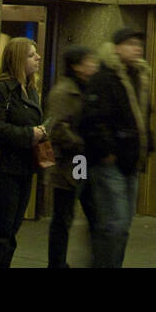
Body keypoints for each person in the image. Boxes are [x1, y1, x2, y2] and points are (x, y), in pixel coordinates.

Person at [81, 27, 153, 268]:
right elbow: (92, 118)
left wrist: (146, 146)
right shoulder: (104, 78)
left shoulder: (139, 78)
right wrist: (107, 152)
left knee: (122, 225)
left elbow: (142, 117)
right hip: (109, 161)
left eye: (139, 44)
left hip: (131, 160)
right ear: (117, 47)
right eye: (131, 43)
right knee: (115, 223)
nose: (137, 48)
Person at [0, 36, 46, 266]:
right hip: (5, 169)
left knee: (12, 229)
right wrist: (30, 134)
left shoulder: (30, 89)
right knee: (1, 231)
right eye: (31, 55)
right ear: (17, 60)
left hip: (25, 167)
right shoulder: (3, 89)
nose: (38, 57)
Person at [46, 45, 100, 268]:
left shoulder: (88, 89)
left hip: (84, 161)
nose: (93, 65)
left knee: (94, 214)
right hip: (67, 163)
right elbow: (56, 127)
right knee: (63, 218)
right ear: (76, 66)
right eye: (89, 61)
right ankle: (56, 263)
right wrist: (81, 143)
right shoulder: (64, 91)